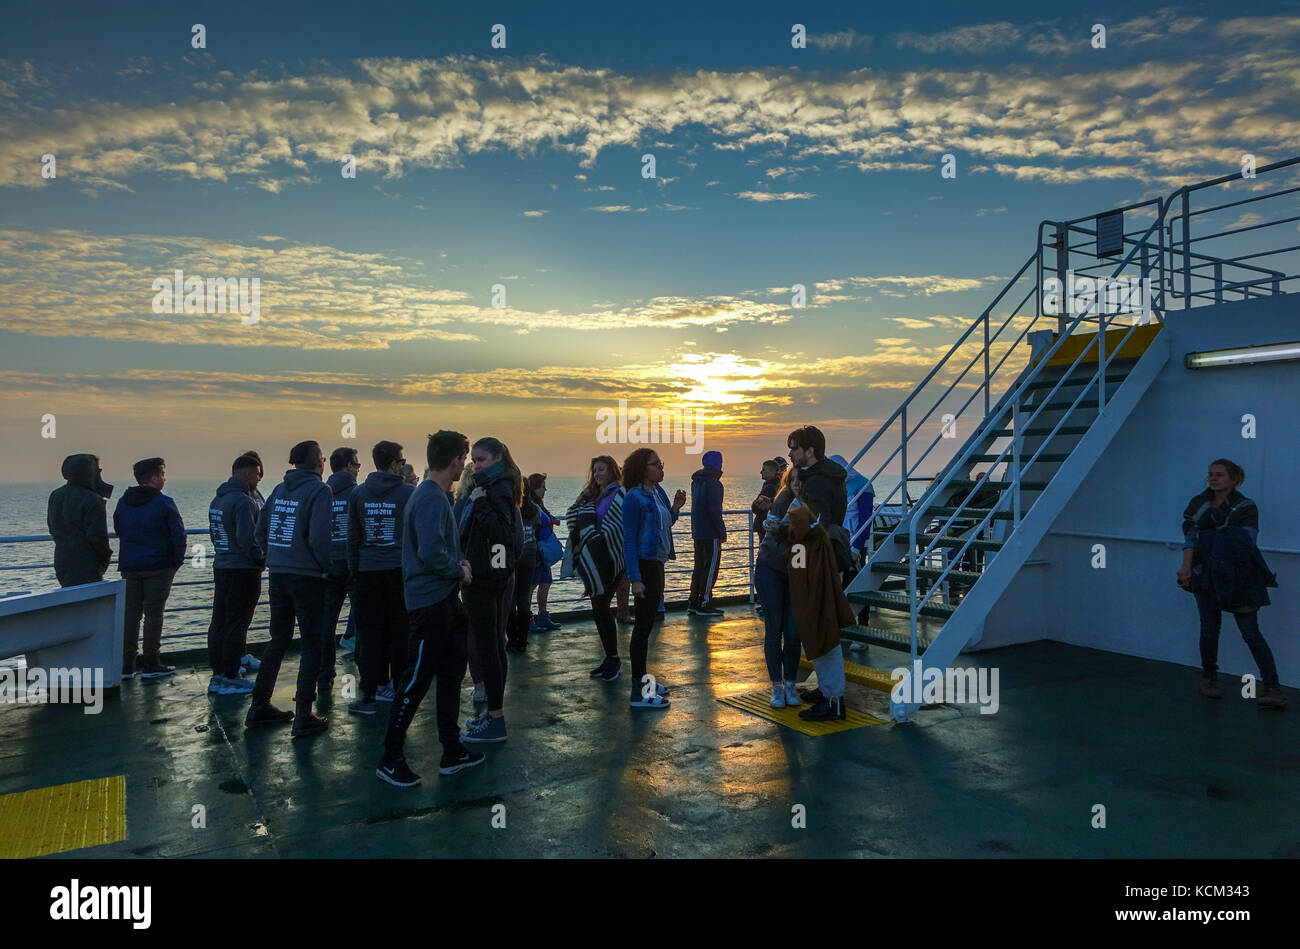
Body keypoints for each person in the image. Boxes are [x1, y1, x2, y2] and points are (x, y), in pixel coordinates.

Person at [377, 430, 484, 786]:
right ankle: (390, 757)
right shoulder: (430, 498)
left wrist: (457, 565)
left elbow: (439, 546)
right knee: (416, 680)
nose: (465, 465)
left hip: (445, 602)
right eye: (464, 458)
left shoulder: (434, 495)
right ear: (455, 459)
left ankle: (452, 749)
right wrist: (460, 570)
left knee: (451, 676)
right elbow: (431, 552)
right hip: (430, 604)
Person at [1179, 459, 1285, 709]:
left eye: (1220, 475)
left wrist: (1209, 536)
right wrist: (1185, 567)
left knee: (1250, 632)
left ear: (1234, 479)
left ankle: (1273, 688)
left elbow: (1244, 541)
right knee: (1208, 629)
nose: (1213, 479)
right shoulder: (1198, 504)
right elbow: (1190, 537)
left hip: (1240, 576)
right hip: (1204, 574)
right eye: (1210, 474)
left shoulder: (1246, 507)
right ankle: (1209, 678)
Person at [247, 440, 334, 737]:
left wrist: (274, 557)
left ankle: (259, 706)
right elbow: (321, 537)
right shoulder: (320, 491)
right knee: (312, 643)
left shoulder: (279, 490)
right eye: (322, 458)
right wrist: (325, 568)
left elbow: (260, 530)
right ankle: (303, 714)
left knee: (277, 640)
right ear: (317, 463)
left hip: (278, 575)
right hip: (307, 578)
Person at [455, 437, 523, 744]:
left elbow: (502, 535)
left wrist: (479, 503)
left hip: (483, 580)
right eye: (473, 460)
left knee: (489, 647)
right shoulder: (495, 485)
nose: (475, 465)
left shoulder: (496, 488)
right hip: (488, 576)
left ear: (497, 458)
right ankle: (494, 713)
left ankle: (496, 719)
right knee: (494, 644)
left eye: (481, 459)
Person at [347, 441, 416, 714]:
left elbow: (352, 538)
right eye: (401, 461)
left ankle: (369, 694)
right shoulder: (409, 494)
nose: (402, 464)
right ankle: (399, 691)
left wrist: (355, 571)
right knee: (401, 633)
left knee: (370, 635)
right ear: (392, 464)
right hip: (399, 572)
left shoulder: (358, 494)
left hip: (367, 572)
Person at [621, 448, 686, 709]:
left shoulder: (656, 494)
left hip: (657, 563)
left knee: (647, 625)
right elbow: (628, 542)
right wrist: (635, 578)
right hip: (645, 566)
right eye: (655, 464)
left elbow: (664, 523)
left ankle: (645, 681)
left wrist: (675, 508)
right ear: (641, 468)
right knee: (643, 628)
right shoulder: (633, 498)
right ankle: (638, 692)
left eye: (661, 463)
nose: (661, 468)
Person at [114, 457, 185, 679]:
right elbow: (178, 535)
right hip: (158, 566)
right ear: (154, 477)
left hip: (129, 565)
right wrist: (176, 562)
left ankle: (127, 665)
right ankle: (151, 663)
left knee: (131, 615)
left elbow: (119, 529)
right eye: (162, 474)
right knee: (154, 615)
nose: (164, 478)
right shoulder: (164, 503)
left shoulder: (123, 503)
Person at [788, 499, 855, 722]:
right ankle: (828, 693)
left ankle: (834, 701)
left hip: (815, 601)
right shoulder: (819, 539)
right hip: (821, 599)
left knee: (826, 647)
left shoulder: (803, 543)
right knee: (825, 645)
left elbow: (797, 572)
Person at [207, 455, 264, 696]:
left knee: (219, 620)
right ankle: (231, 676)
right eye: (258, 473)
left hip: (222, 565)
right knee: (237, 622)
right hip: (242, 570)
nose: (259, 478)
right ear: (248, 473)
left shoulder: (217, 500)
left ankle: (220, 672)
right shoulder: (243, 502)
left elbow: (214, 534)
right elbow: (247, 540)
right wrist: (261, 559)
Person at [567, 456, 626, 680]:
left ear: (612, 471)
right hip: (596, 557)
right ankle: (610, 657)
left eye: (601, 469)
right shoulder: (592, 495)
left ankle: (614, 659)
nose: (597, 474)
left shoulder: (619, 494)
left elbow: (617, 525)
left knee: (601, 607)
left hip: (611, 557)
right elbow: (576, 514)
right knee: (598, 609)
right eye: (595, 470)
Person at [752, 465, 803, 707]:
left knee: (793, 631)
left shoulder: (813, 504)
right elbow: (771, 529)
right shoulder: (782, 500)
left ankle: (791, 683)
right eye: (793, 479)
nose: (797, 484)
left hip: (796, 570)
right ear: (787, 480)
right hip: (771, 567)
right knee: (775, 627)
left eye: (801, 480)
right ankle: (776, 685)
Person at [321, 446, 361, 696]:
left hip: (327, 567)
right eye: (356, 465)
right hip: (354, 566)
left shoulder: (321, 493)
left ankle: (324, 677)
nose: (358, 469)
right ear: (348, 466)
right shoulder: (358, 494)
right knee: (365, 623)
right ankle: (369, 680)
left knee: (325, 625)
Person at [47, 453, 113, 588]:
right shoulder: (92, 499)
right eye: (97, 470)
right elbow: (98, 537)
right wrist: (105, 559)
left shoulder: (55, 495)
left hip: (61, 560)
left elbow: (52, 528)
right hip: (86, 563)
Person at [688, 450, 727, 617]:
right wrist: (722, 532)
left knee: (699, 567)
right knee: (710, 568)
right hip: (710, 532)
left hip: (698, 531)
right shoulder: (714, 484)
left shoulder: (696, 482)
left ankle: (693, 601)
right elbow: (714, 511)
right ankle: (704, 603)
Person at [528, 474, 564, 632]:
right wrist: (550, 521)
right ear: (535, 487)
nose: (545, 490)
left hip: (542, 553)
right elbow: (542, 521)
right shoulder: (530, 505)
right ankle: (527, 618)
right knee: (532, 585)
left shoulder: (538, 505)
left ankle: (542, 615)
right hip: (536, 551)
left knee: (545, 582)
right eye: (543, 486)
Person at [508, 480, 541, 650]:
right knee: (524, 596)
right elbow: (538, 527)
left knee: (510, 597)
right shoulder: (535, 509)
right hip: (530, 553)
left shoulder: (512, 508)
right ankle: (523, 638)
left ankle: (512, 638)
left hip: (513, 555)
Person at [751, 458, 785, 544]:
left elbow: (755, 507)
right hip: (770, 525)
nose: (761, 472)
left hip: (766, 526)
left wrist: (755, 505)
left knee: (765, 550)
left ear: (772, 472)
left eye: (763, 470)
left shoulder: (769, 488)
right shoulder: (778, 486)